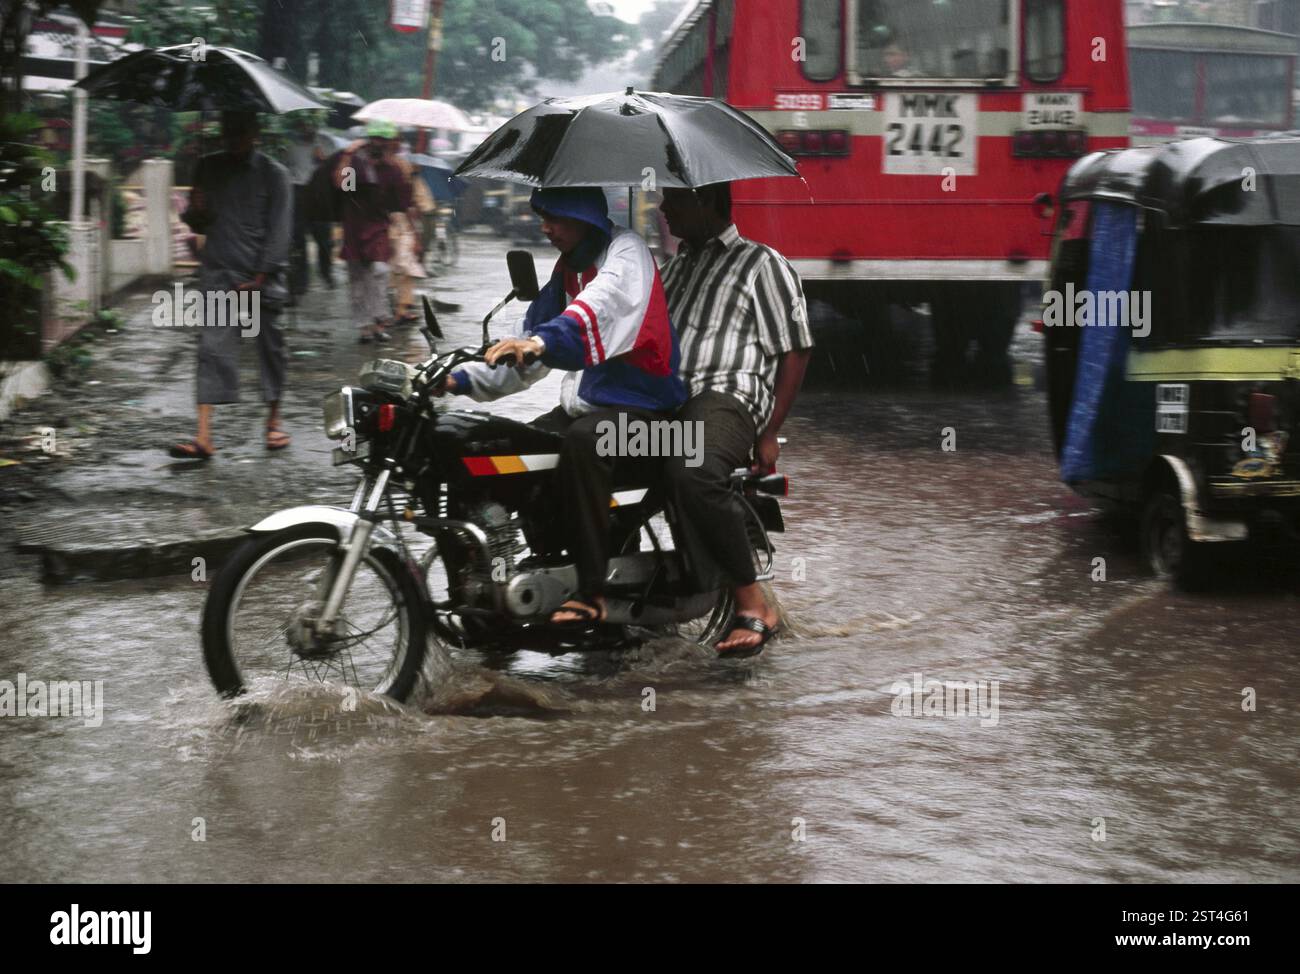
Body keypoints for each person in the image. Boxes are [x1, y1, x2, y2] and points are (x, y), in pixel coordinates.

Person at [441, 186, 686, 625]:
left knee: (582, 445)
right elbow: (523, 348)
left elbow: (591, 314)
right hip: (589, 408)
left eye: (555, 217)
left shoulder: (626, 255)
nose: (545, 227)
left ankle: (592, 591)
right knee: (494, 445)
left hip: (649, 417)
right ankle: (494, 580)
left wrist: (538, 342)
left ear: (584, 218)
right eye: (543, 216)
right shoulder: (568, 270)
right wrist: (457, 377)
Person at [658, 183, 813, 657]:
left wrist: (770, 433)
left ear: (707, 203)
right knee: (596, 444)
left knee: (694, 468)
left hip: (727, 397)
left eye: (675, 200)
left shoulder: (763, 265)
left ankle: (753, 601)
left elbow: (796, 350)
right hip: (668, 403)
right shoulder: (675, 268)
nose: (663, 208)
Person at [169, 110, 292, 459]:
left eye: (240, 131)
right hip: (220, 272)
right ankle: (204, 436)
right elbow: (199, 223)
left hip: (262, 278)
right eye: (228, 131)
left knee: (272, 351)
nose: (233, 138)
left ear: (255, 132)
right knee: (211, 350)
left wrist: (260, 275)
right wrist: (196, 208)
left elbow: (280, 230)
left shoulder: (275, 174)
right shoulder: (207, 167)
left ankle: (273, 421)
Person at [334, 120, 412, 344]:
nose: (379, 144)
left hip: (378, 229)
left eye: (383, 140)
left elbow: (401, 203)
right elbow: (343, 186)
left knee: (378, 273)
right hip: (353, 228)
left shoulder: (393, 168)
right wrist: (348, 155)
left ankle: (379, 321)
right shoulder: (356, 163)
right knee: (357, 281)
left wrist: (405, 174)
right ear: (369, 141)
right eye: (375, 139)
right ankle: (365, 328)